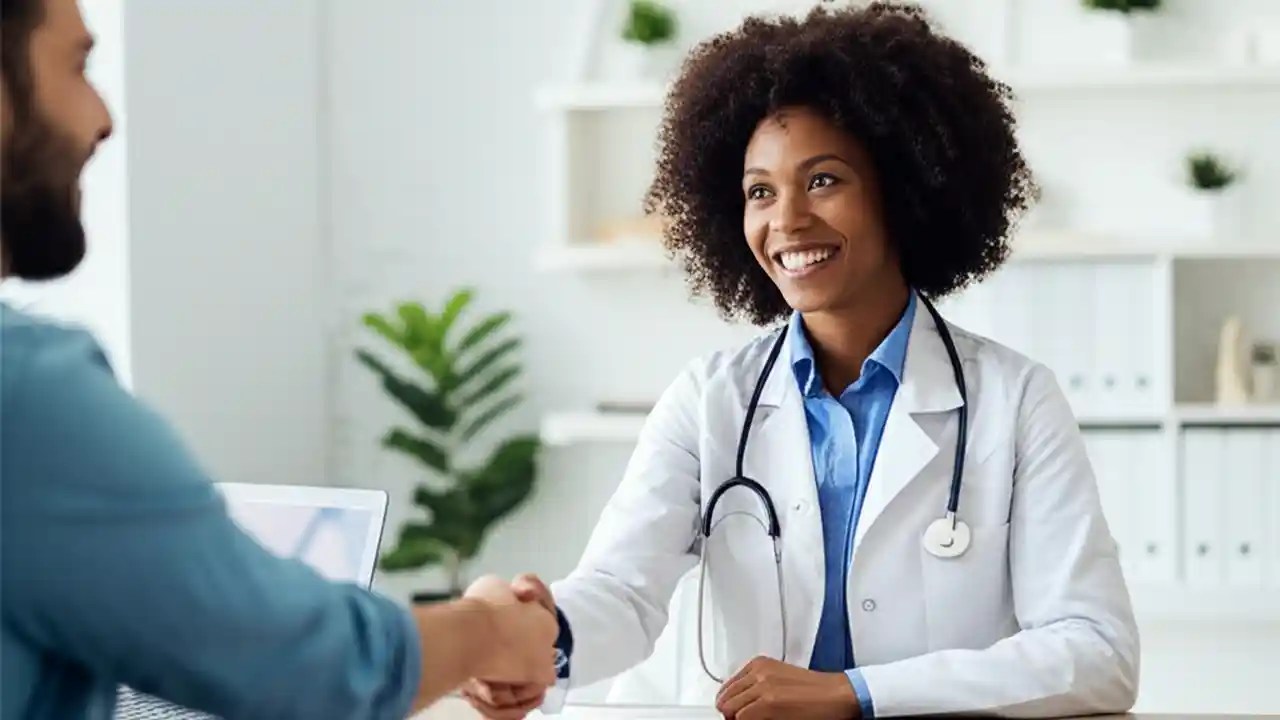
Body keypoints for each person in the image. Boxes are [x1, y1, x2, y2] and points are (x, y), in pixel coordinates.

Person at [464, 3, 1140, 719]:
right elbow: (622, 590)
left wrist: (856, 694)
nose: (785, 220)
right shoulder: (709, 399)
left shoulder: (1015, 399)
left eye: (822, 180)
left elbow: (1097, 652)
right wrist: (541, 638)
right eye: (761, 191)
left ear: (903, 188)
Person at [0, 0, 557, 718]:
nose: (103, 116)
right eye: (77, 65)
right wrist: (488, 630)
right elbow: (307, 666)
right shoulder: (28, 399)